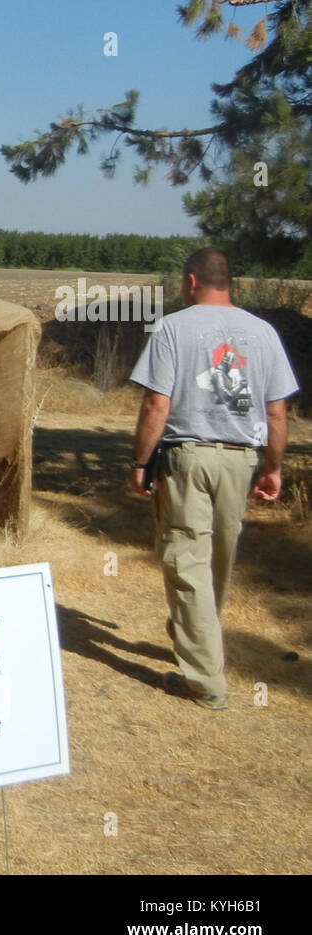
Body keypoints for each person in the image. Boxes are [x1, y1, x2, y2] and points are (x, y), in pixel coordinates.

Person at [129, 247, 299, 710]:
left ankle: (205, 682)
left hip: (188, 456)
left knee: (187, 559)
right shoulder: (263, 332)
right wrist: (273, 467)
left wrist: (140, 461)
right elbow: (278, 410)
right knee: (219, 556)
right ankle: (197, 638)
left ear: (190, 282)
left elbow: (155, 404)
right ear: (230, 282)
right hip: (241, 459)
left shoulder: (172, 328)